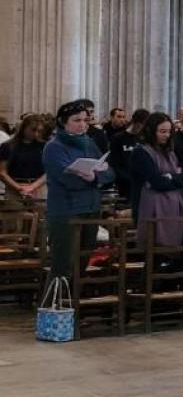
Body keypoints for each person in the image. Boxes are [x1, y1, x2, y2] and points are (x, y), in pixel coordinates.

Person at [43, 100, 114, 278]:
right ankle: (57, 303)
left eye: (85, 120)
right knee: (64, 264)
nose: (82, 124)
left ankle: (74, 301)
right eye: (77, 120)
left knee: (82, 263)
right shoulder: (54, 147)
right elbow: (67, 178)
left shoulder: (88, 143)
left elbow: (109, 172)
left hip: (91, 207)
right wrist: (92, 178)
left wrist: (95, 177)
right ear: (62, 121)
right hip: (66, 211)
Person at [130, 112, 183, 248]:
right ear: (151, 131)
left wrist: (170, 177)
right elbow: (157, 182)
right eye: (162, 131)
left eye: (169, 131)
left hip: (173, 206)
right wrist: (174, 178)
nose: (167, 135)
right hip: (150, 206)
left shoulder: (170, 152)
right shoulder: (141, 152)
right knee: (153, 249)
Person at [0, 115, 48, 202]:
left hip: (38, 187)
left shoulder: (44, 146)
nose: (36, 134)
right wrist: (19, 188)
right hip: (14, 187)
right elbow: (2, 172)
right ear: (24, 128)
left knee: (39, 215)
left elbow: (49, 171)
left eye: (39, 131)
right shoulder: (8, 146)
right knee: (16, 215)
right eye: (33, 130)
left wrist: (32, 186)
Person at [108, 109, 149, 200]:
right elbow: (114, 163)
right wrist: (129, 178)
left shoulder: (145, 139)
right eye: (143, 126)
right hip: (125, 184)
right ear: (136, 123)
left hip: (144, 183)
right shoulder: (118, 138)